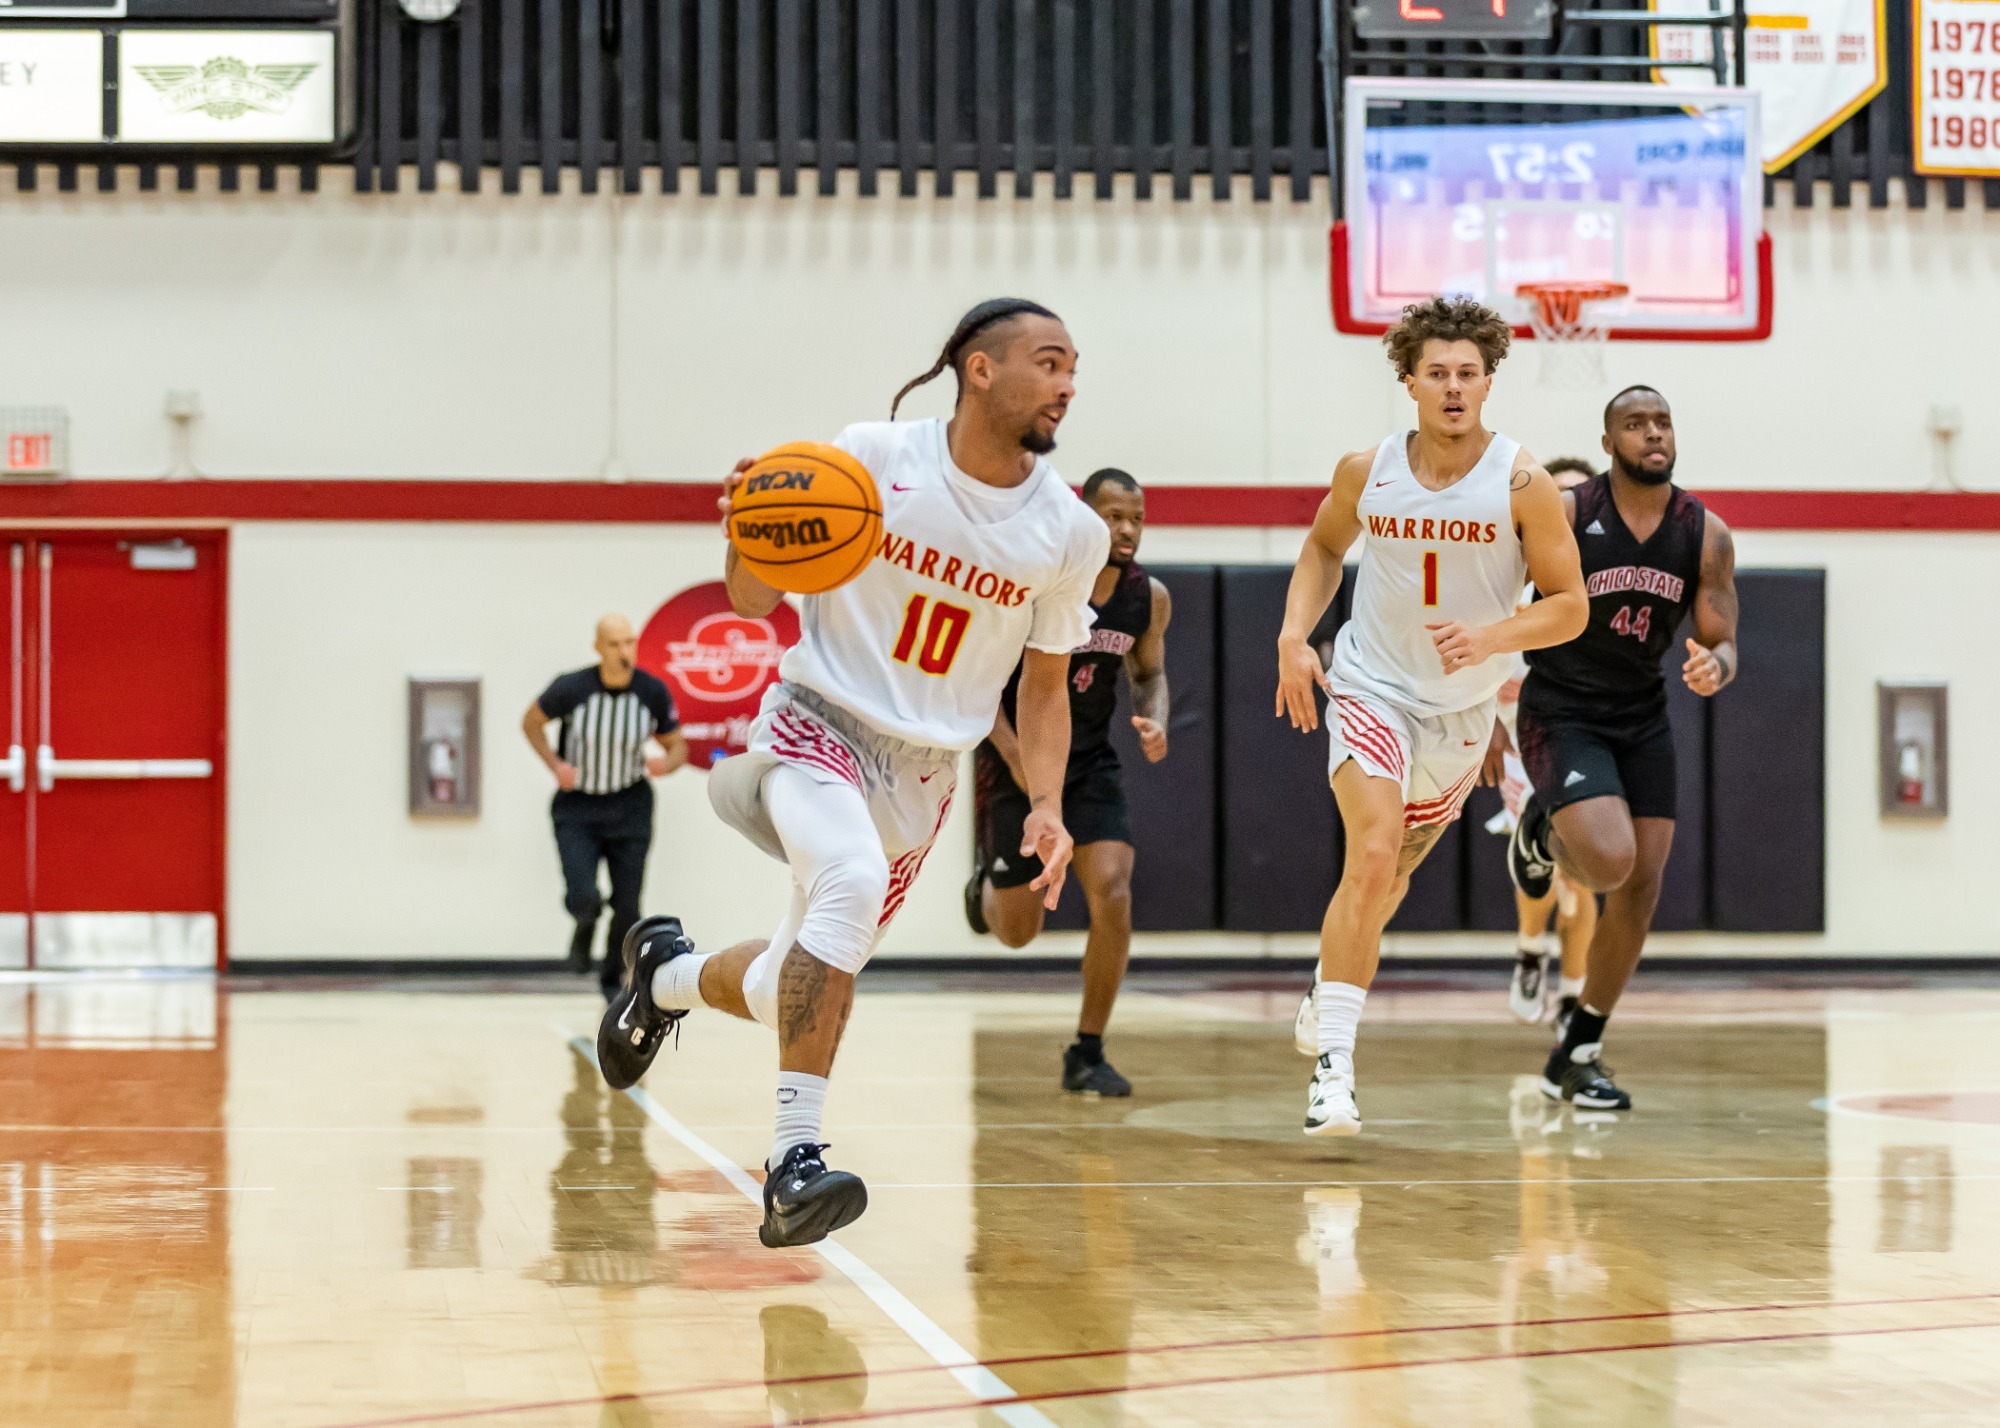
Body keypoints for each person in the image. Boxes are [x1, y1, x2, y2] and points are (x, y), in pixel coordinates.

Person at [595, 298, 1109, 1248]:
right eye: (1050, 361)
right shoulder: (867, 461)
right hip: (815, 723)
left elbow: (1043, 687)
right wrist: (749, 529)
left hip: (922, 776)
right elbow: (752, 600)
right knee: (849, 882)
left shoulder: (1067, 532)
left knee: (791, 978)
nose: (1069, 382)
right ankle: (794, 1164)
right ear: (979, 369)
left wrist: (1046, 803)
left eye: (1075, 365)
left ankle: (664, 975)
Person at [1275, 296, 1588, 1138]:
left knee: (1392, 876)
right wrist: (1292, 637)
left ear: (1489, 382)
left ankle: (1325, 984)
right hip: (1371, 686)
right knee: (1372, 850)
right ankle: (1333, 1070)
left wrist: (1492, 637)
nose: (1454, 388)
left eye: (1469, 374)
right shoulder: (1364, 470)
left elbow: (1570, 606)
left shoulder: (1522, 483)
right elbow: (1320, 550)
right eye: (1438, 373)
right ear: (1408, 379)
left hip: (1459, 712)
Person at [1508, 386, 1739, 1111]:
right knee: (1610, 862)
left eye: (1663, 421)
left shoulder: (1705, 533)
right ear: (1608, 443)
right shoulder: (1573, 514)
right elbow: (1495, 606)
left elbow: (1723, 632)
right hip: (1561, 708)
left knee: (1641, 888)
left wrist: (1716, 664)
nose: (1653, 434)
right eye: (1635, 424)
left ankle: (1577, 1052)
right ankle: (1542, 833)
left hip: (1640, 713)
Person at [964, 466, 1172, 1097]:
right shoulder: (1036, 585)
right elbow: (979, 692)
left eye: (1137, 516)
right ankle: (984, 895)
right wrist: (1019, 761)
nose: (1128, 528)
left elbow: (1151, 673)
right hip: (1011, 763)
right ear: (1084, 516)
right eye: (1114, 516)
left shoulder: (1147, 597)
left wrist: (1156, 721)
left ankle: (1088, 1049)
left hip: (1088, 764)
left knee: (1112, 888)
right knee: (1019, 931)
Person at [523, 615, 689, 996]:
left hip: (630, 805)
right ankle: (585, 924)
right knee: (584, 896)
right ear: (599, 648)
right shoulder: (572, 687)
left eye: (629, 642)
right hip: (578, 808)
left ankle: (612, 977)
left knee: (628, 904)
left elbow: (678, 744)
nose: (623, 651)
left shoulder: (650, 692)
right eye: (614, 644)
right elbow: (531, 722)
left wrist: (669, 763)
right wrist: (555, 764)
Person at [1491, 457, 1600, 1025]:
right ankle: (1532, 949)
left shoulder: (1605, 579)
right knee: (1541, 865)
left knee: (1580, 875)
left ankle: (1574, 995)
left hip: (1580, 737)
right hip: (1516, 739)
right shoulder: (1509, 571)